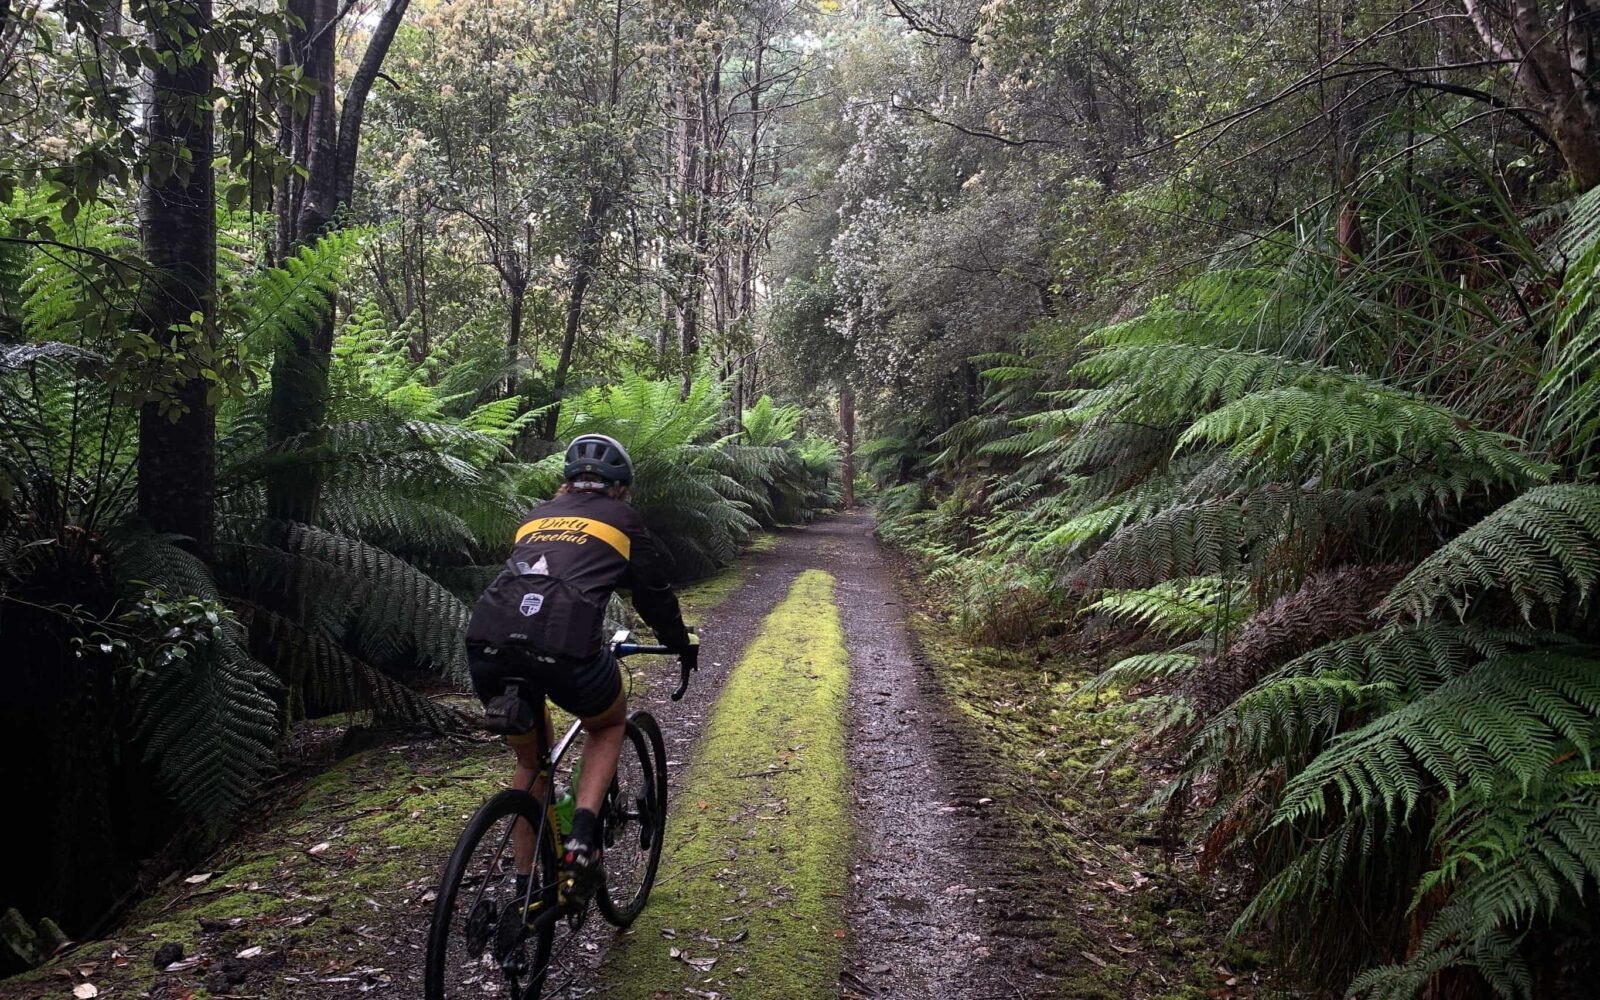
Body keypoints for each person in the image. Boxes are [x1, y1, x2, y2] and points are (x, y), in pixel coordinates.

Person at [465, 433, 696, 906]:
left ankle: (525, 888)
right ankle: (581, 843)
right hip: (565, 648)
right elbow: (652, 596)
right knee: (608, 722)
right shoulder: (624, 520)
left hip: (487, 643)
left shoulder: (533, 517)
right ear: (621, 488)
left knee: (531, 761)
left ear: (566, 483)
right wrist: (679, 644)